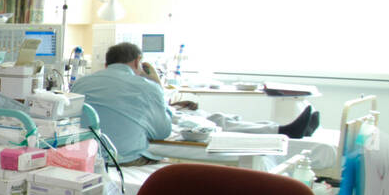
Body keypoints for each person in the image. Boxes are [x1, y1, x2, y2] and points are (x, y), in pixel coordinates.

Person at [73, 43, 318, 165]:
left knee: (208, 117)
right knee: (211, 122)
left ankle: (282, 129)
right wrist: (156, 86)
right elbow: (163, 132)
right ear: (139, 62)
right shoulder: (147, 87)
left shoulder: (81, 84)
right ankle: (282, 130)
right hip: (127, 156)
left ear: (106, 65)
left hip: (91, 154)